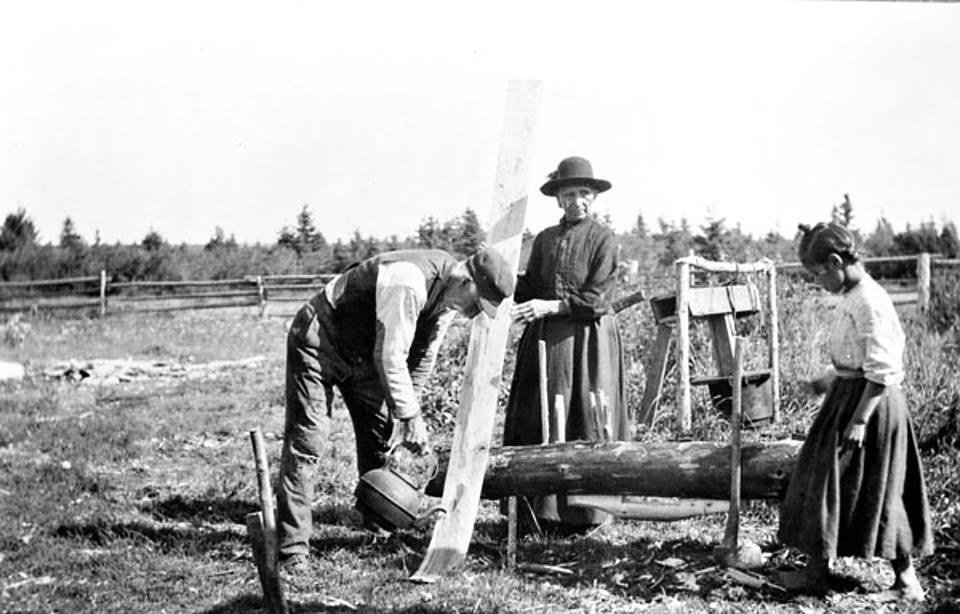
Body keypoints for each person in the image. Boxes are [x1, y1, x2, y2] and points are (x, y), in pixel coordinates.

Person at [277, 247, 515, 569]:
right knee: (309, 442)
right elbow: (390, 356)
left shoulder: (447, 299)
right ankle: (292, 549)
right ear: (466, 280)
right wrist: (410, 415)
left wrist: (406, 414)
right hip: (320, 341)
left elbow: (422, 356)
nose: (473, 313)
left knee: (382, 436)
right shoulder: (409, 279)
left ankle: (378, 529)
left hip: (362, 354)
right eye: (477, 303)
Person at [778, 222, 934, 600]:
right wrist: (826, 380)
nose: (818, 283)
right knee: (822, 479)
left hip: (872, 406)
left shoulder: (870, 300)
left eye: (818, 275)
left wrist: (861, 419)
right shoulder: (851, 295)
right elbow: (855, 359)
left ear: (835, 262)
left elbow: (881, 370)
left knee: (881, 486)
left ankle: (907, 582)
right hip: (848, 395)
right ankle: (816, 572)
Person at [501, 156, 629, 535]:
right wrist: (502, 274)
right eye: (569, 194)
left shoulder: (604, 239)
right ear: (557, 199)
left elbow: (596, 299)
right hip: (546, 341)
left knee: (586, 416)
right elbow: (533, 286)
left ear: (594, 198)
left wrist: (551, 306)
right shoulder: (545, 239)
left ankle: (587, 513)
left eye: (584, 194)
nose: (576, 201)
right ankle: (538, 511)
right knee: (540, 414)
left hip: (588, 342)